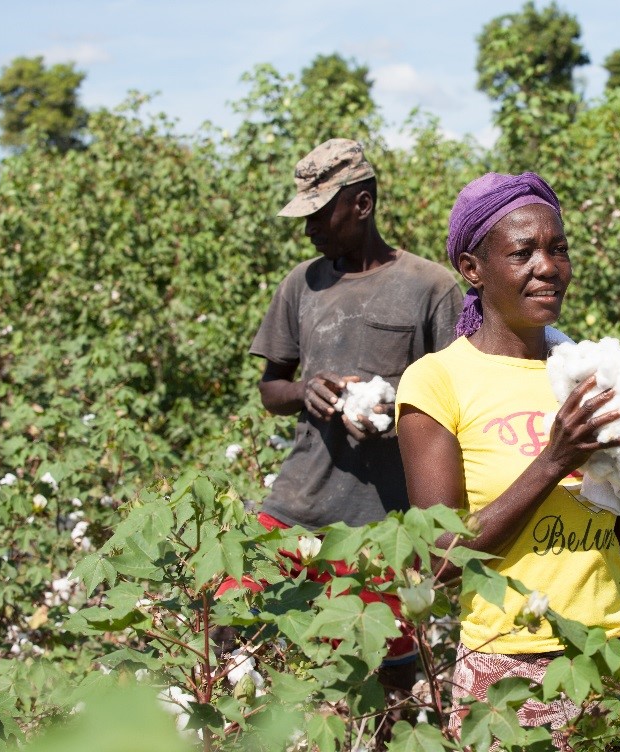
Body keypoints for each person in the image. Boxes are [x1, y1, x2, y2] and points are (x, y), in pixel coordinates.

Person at [395, 172, 620, 747]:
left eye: (558, 248)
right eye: (523, 252)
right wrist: (553, 461)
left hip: (614, 653)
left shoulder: (585, 369)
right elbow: (441, 565)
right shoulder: (439, 381)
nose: (547, 266)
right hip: (511, 671)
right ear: (473, 268)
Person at [244, 138, 463, 691]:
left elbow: (463, 396)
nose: (309, 228)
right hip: (296, 509)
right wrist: (306, 392)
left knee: (383, 689)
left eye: (319, 213)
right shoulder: (303, 283)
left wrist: (394, 403)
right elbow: (271, 390)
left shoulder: (432, 288)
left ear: (361, 204)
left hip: (386, 529)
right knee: (242, 652)